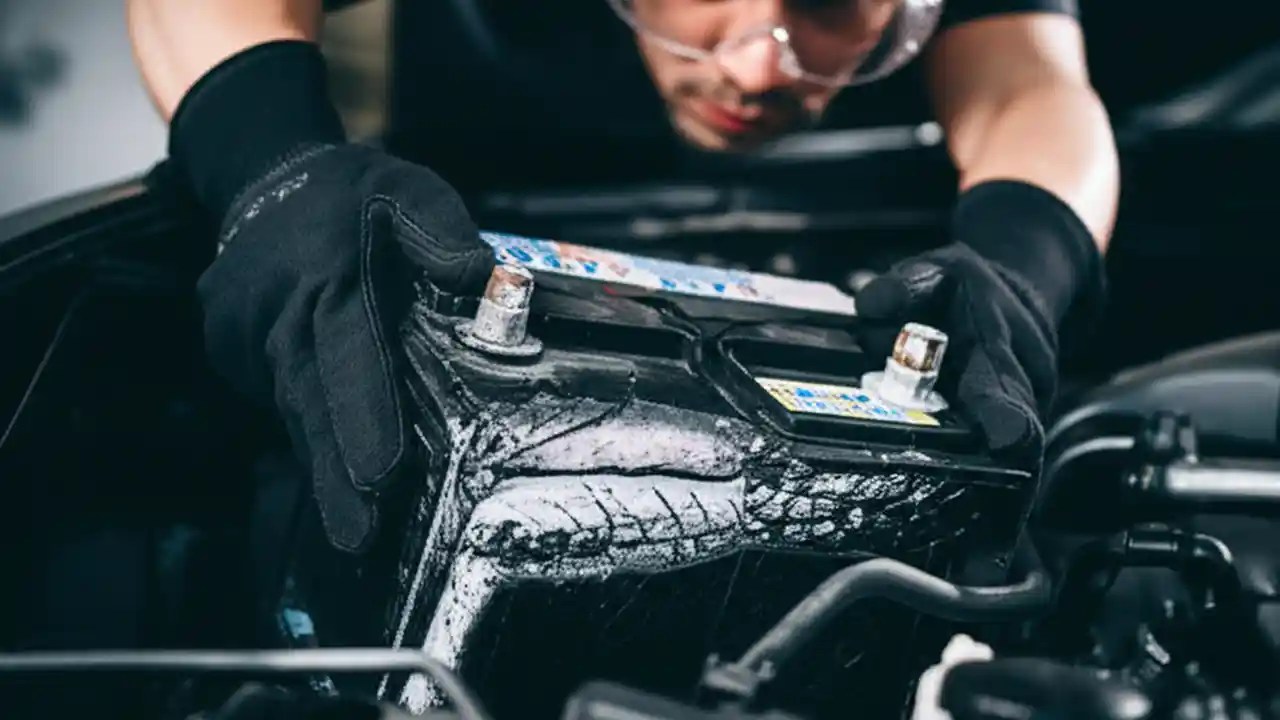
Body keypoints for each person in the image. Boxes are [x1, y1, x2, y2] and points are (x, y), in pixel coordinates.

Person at [126, 0, 1116, 554]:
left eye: (826, 1)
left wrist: (1023, 267)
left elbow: (1030, 87)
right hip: (454, 262)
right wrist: (279, 175)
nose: (759, 67)